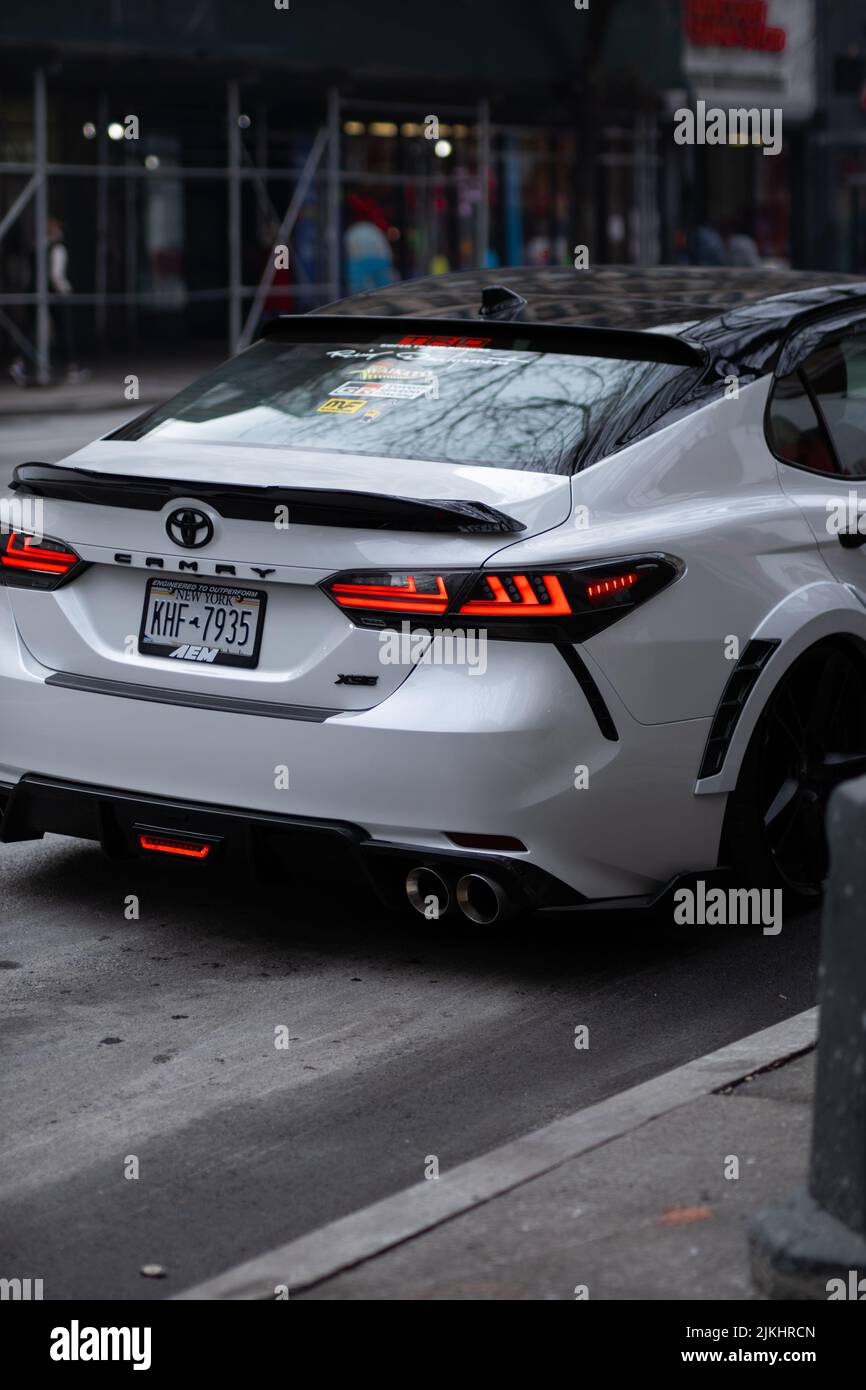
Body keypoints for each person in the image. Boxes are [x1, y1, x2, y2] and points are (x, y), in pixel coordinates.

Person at [9, 216, 89, 386]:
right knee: (63, 328)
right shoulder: (57, 248)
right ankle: (72, 368)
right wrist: (66, 290)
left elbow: (27, 273)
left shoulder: (35, 247)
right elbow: (56, 275)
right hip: (53, 293)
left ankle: (19, 363)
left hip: (33, 290)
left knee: (30, 327)